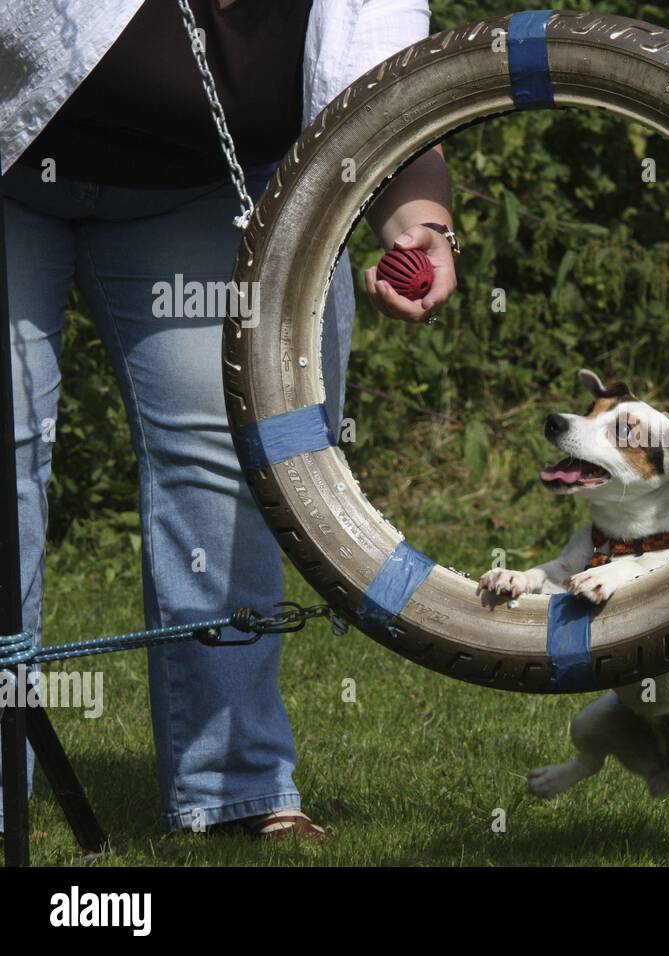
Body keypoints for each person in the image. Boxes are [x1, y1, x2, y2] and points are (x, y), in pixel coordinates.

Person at [0, 0, 455, 840]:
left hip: (198, 188)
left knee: (225, 462)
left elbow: (383, 79)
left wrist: (420, 222)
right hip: (10, 162)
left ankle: (235, 792)